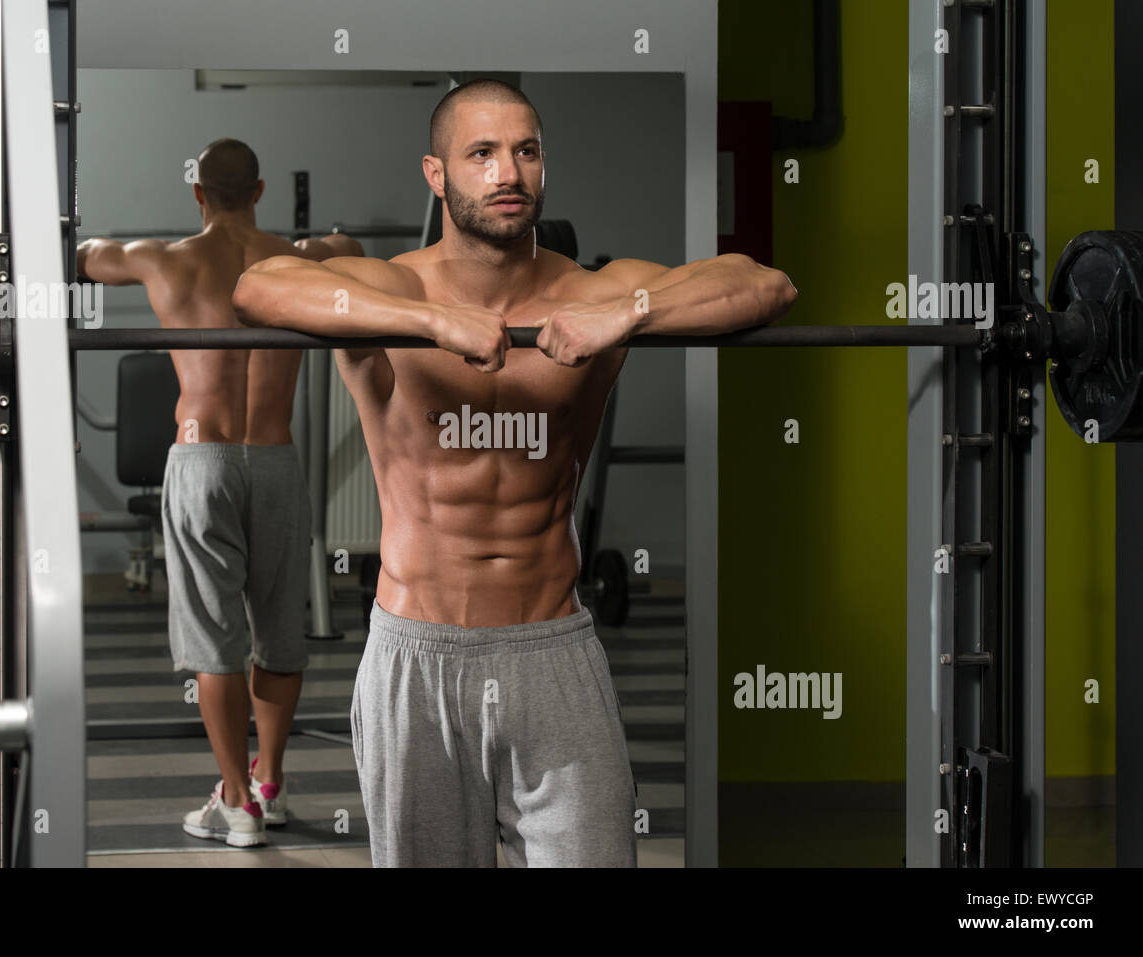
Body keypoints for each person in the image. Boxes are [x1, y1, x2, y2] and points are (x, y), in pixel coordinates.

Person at [232, 81, 797, 866]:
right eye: (482, 153)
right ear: (437, 174)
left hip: (552, 651)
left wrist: (627, 311)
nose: (508, 172)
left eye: (525, 151)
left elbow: (763, 284)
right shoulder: (392, 290)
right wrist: (431, 320)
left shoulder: (590, 293)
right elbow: (258, 287)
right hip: (414, 657)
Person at [77, 138, 363, 848]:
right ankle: (271, 780)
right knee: (279, 633)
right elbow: (352, 245)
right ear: (259, 190)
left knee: (215, 641)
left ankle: (236, 801)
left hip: (201, 458)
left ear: (197, 195)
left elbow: (83, 253)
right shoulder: (298, 259)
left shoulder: (165, 258)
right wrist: (316, 240)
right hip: (273, 457)